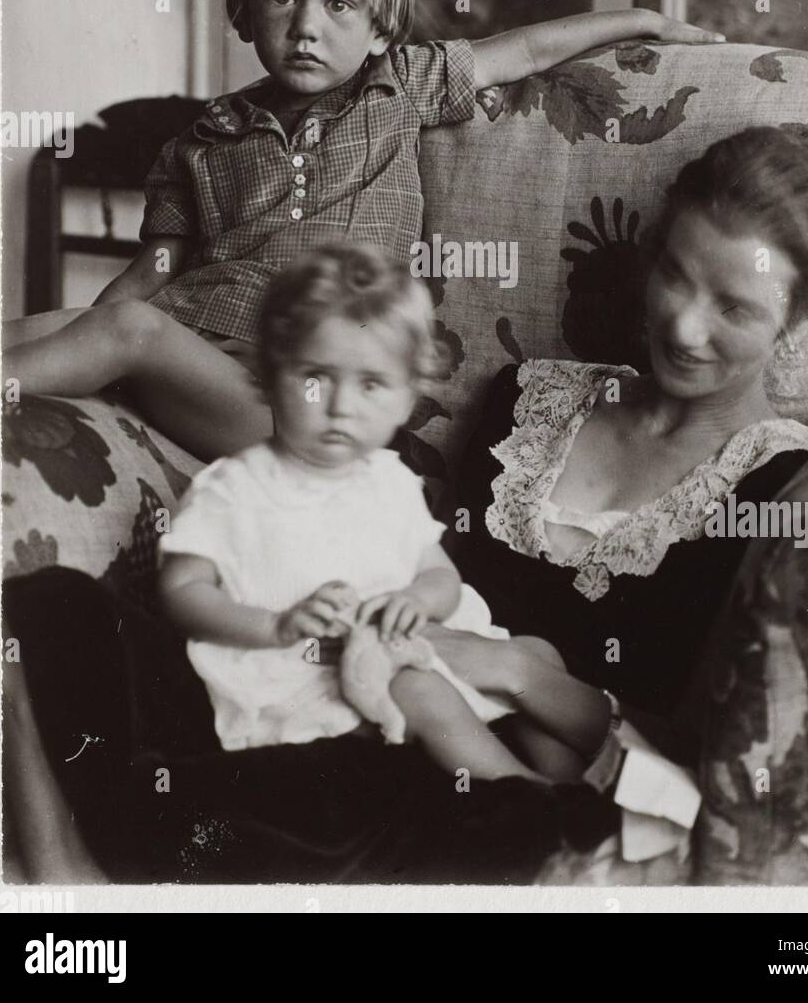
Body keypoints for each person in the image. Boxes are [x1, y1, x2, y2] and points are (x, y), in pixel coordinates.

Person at [2, 0, 723, 462]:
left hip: (298, 399)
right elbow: (153, 272)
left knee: (126, 330)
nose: (306, 26)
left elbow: (527, 50)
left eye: (338, 4)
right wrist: (88, 327)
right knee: (66, 323)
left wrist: (642, 20)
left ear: (381, 27)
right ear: (247, 14)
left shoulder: (399, 87)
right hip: (189, 362)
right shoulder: (203, 140)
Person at [441, 126, 808, 766]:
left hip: (569, 827)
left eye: (735, 308)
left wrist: (516, 672)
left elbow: (706, 755)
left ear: (793, 323)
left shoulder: (780, 492)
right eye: (675, 274)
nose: (684, 328)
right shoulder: (523, 404)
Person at [157, 243, 613, 784]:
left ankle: (575, 791)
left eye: (370, 384)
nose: (341, 406)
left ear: (404, 400)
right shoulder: (235, 488)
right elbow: (181, 592)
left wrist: (415, 599)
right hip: (305, 671)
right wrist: (276, 625)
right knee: (421, 688)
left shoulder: (390, 481)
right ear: (269, 376)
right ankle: (526, 800)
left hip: (398, 648)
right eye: (315, 379)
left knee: (537, 653)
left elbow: (439, 575)